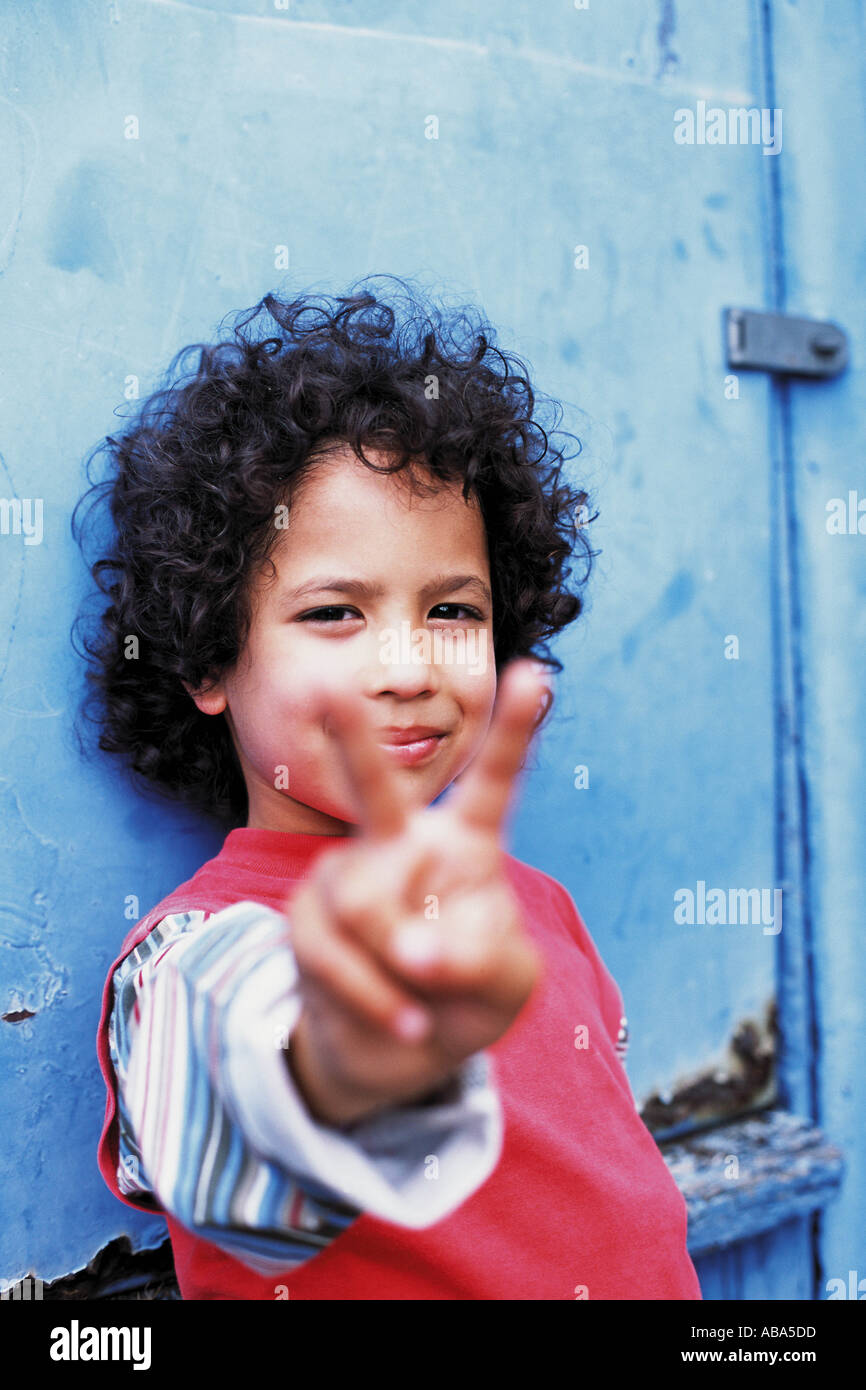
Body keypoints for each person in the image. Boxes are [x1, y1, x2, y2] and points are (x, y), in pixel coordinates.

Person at [74, 277, 702, 1300]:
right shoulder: (197, 958)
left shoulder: (534, 905)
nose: (408, 665)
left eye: (452, 610)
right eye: (333, 614)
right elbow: (234, 1153)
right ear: (205, 662)